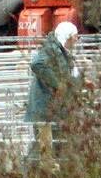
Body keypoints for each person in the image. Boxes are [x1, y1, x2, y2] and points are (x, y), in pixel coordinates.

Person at [25, 21, 80, 164]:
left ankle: (48, 176)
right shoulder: (51, 50)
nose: (77, 39)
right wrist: (57, 84)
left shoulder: (60, 52)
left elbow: (66, 77)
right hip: (44, 107)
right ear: (67, 37)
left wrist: (82, 82)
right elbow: (37, 64)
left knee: (51, 146)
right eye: (75, 36)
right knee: (45, 150)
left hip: (52, 107)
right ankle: (38, 177)